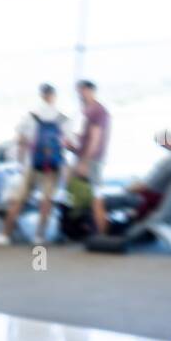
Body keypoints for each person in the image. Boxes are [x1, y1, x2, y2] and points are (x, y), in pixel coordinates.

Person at [0, 84, 69, 246]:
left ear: (41, 95)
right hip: (53, 166)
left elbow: (20, 141)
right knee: (47, 201)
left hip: (32, 164)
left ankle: (5, 235)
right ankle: (39, 236)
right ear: (54, 96)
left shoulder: (31, 116)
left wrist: (20, 162)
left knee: (19, 199)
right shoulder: (62, 118)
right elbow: (67, 143)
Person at [67, 80, 110, 234]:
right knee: (86, 194)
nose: (80, 94)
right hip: (87, 158)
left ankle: (102, 234)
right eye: (78, 91)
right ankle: (89, 229)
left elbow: (95, 139)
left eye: (82, 90)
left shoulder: (97, 111)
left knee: (96, 197)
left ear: (90, 90)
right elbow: (85, 138)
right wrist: (72, 147)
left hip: (92, 160)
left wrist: (84, 162)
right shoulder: (88, 110)